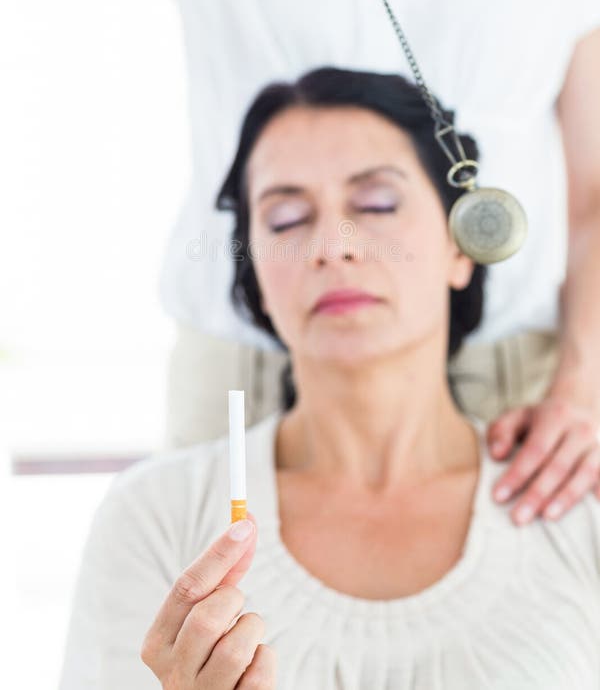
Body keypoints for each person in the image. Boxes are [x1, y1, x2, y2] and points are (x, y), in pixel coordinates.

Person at [3, 0, 600, 523]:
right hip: (249, 373)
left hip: (506, 386)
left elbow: (593, 194)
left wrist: (582, 384)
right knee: (225, 627)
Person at [57, 67, 600, 689]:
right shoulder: (156, 518)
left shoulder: (576, 508)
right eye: (286, 219)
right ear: (256, 271)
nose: (332, 247)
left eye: (375, 205)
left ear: (460, 246)